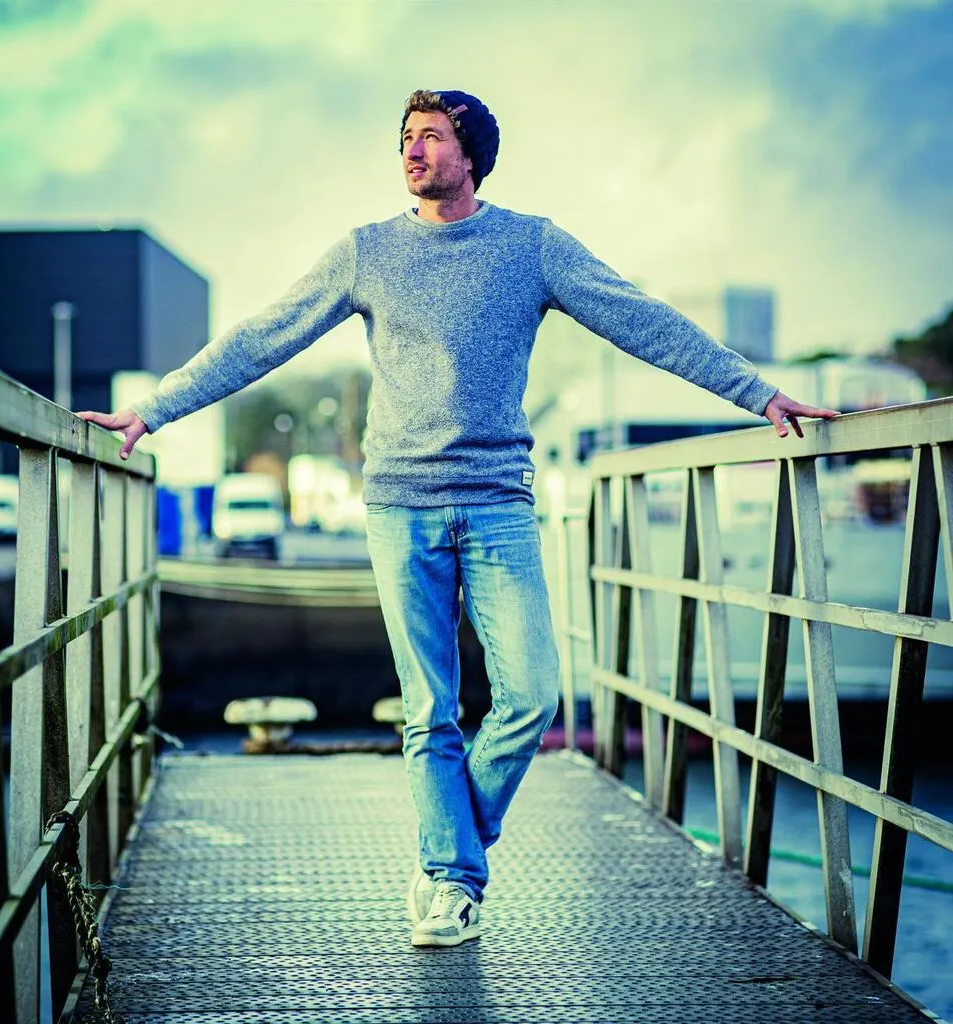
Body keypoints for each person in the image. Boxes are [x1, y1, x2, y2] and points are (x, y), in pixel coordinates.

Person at [77, 88, 839, 949]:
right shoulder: (367, 253)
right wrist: (152, 412)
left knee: (530, 697)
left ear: (471, 154)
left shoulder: (532, 246)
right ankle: (452, 885)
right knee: (429, 707)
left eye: (431, 137)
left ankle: (451, 848)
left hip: (498, 504)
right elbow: (264, 337)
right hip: (400, 505)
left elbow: (643, 322)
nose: (412, 150)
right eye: (405, 137)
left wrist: (758, 393)